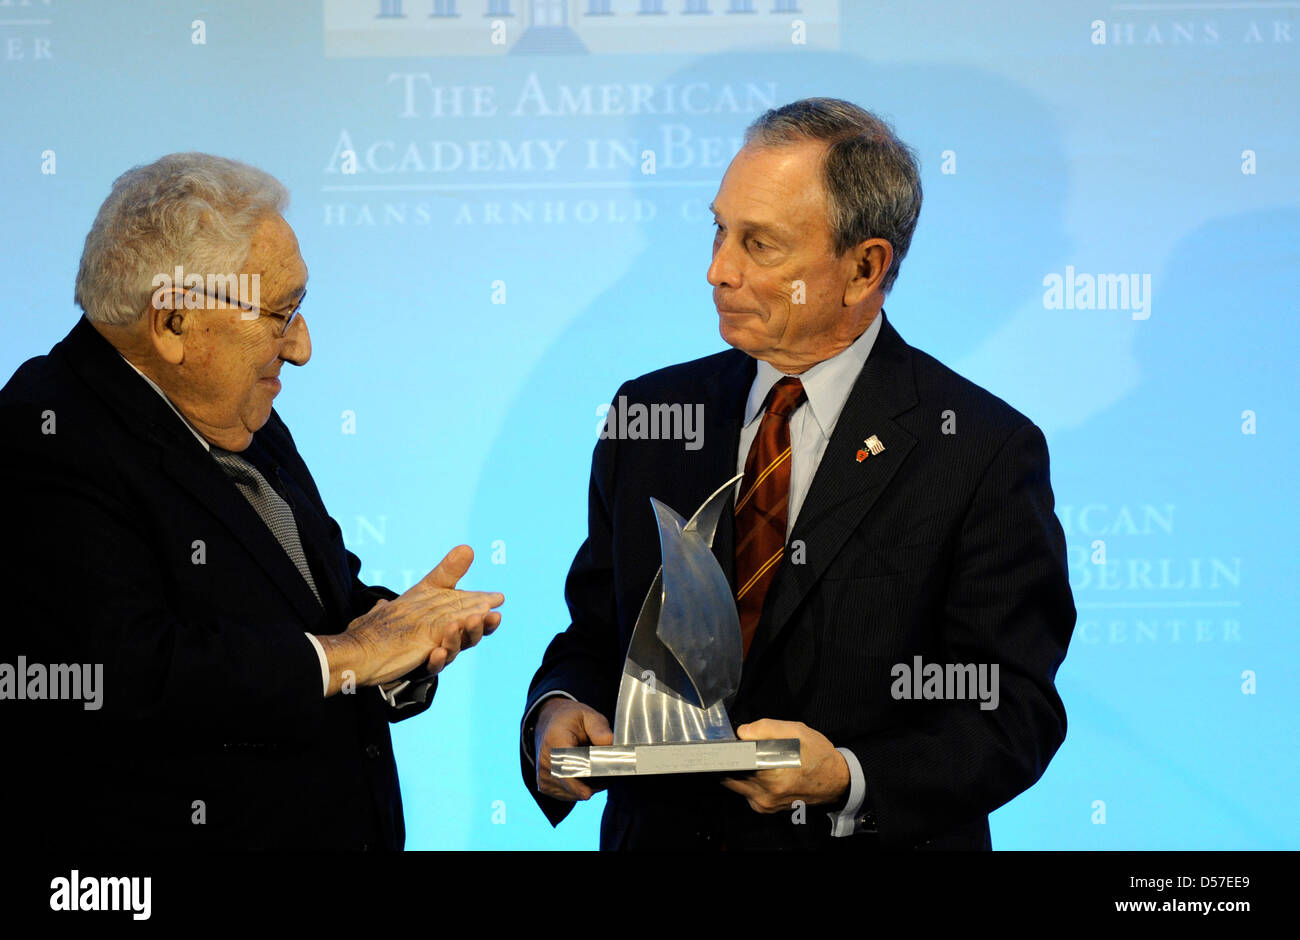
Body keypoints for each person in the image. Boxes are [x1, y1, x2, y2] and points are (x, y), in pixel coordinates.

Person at [521, 99, 1076, 850]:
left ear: (864, 268)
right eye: (720, 230)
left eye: (760, 244)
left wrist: (847, 776)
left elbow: (1010, 709)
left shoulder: (979, 449)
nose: (718, 270)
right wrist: (558, 710)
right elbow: (596, 636)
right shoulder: (649, 413)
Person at [0, 153, 503, 850]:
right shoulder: (45, 432)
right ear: (173, 323)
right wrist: (350, 654)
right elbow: (127, 673)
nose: (300, 347)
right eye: (281, 313)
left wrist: (406, 634)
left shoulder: (242, 416)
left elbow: (315, 613)